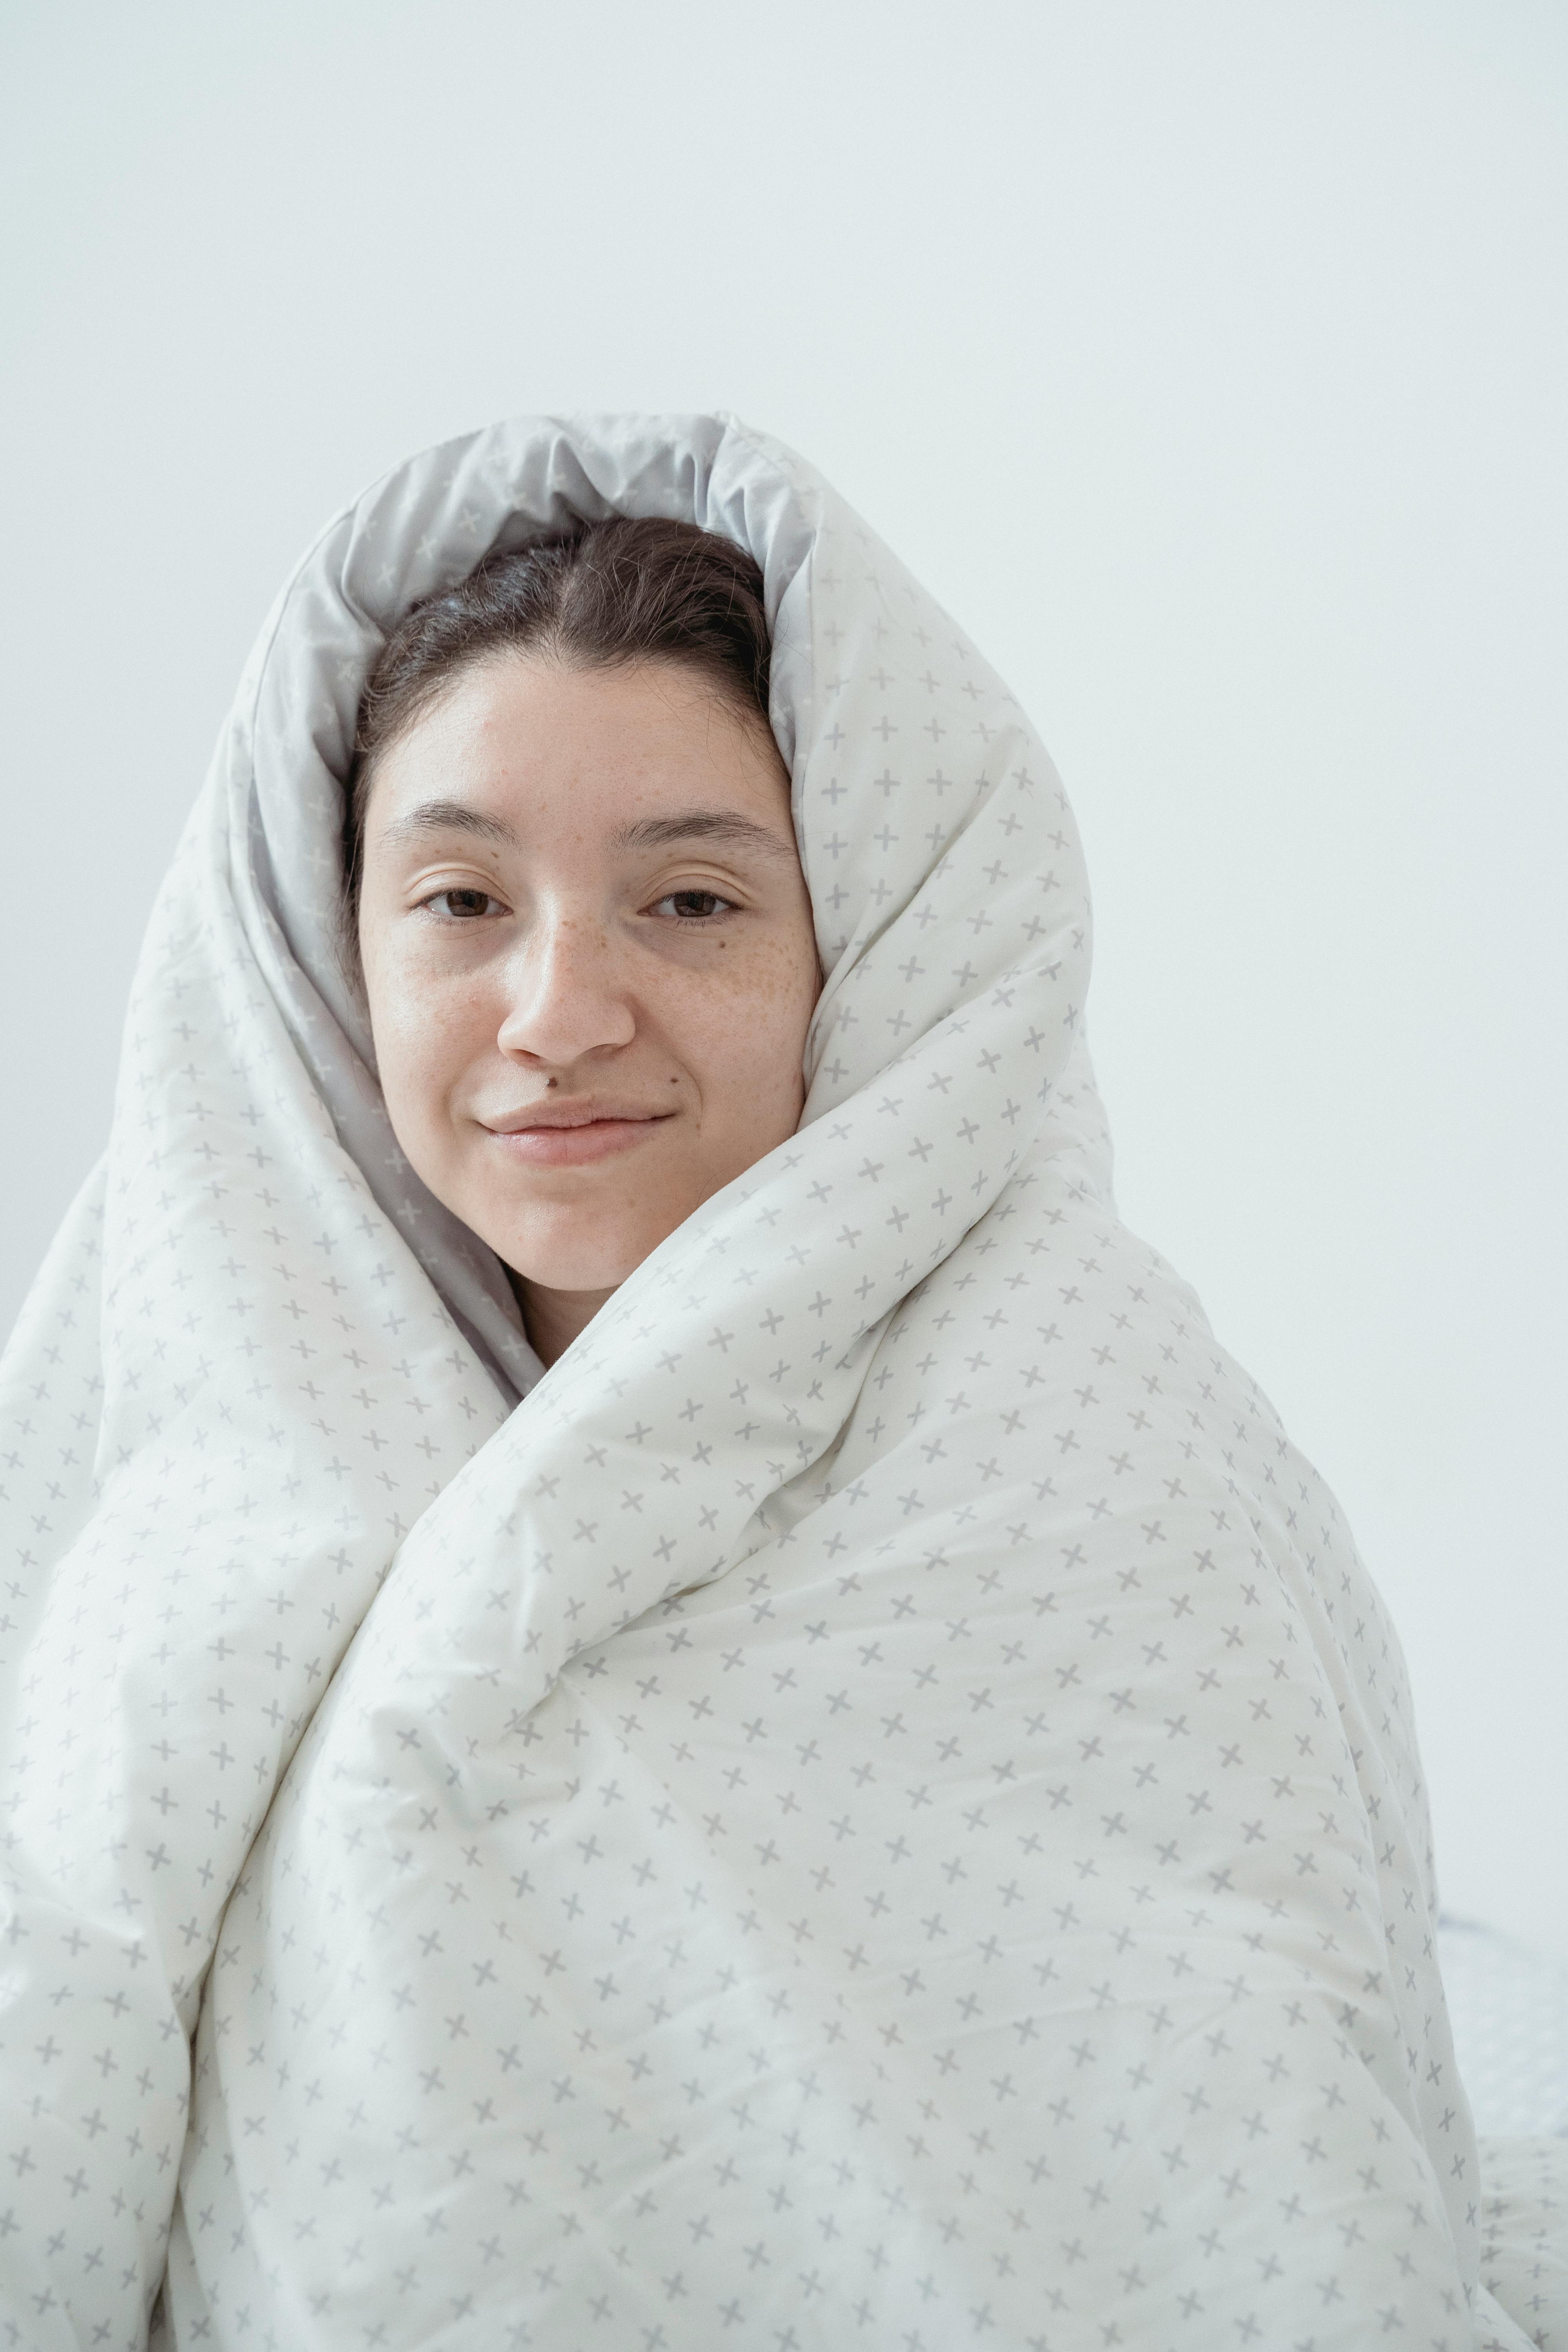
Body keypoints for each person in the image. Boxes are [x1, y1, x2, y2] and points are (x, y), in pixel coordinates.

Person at [0, 414, 1559, 2350]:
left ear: (870, 955)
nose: (560, 1017)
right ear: (331, 961)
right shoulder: (209, 1441)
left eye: (694, 903)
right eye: (463, 903)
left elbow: (1238, 2130)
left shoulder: (1090, 1435)